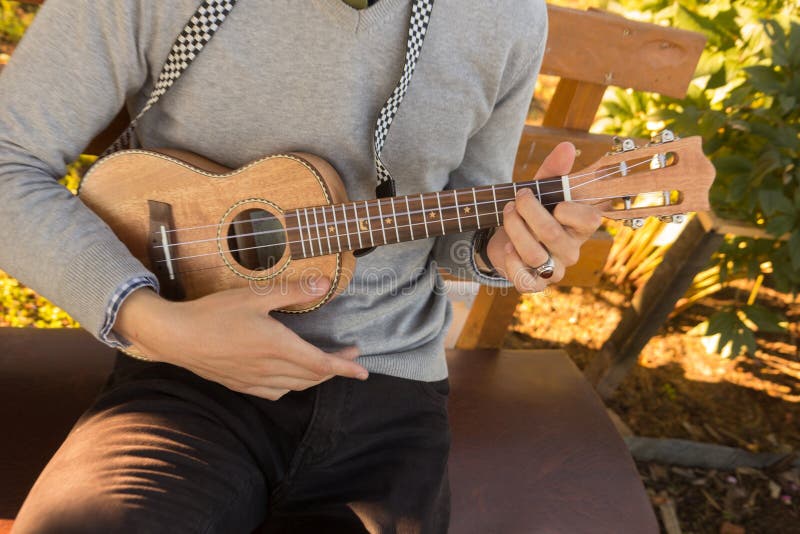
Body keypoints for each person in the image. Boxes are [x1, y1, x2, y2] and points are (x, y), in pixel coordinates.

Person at [0, 0, 602, 532]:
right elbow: (9, 158)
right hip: (184, 374)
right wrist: (152, 321)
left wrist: (506, 249)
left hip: (386, 394)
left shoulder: (505, 15)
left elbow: (467, 215)